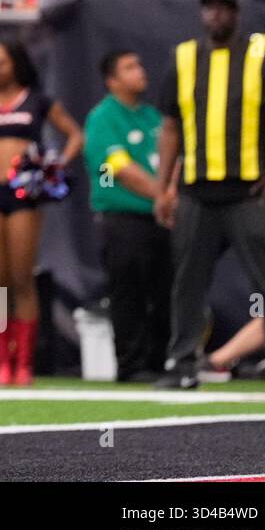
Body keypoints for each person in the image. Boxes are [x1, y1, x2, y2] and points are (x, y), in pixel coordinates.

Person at [153, 0, 265, 391]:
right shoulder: (184, 58)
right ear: (202, 12)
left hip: (249, 190)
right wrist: (162, 187)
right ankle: (183, 363)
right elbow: (169, 127)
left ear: (237, 13)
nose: (216, 15)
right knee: (187, 281)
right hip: (196, 190)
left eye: (224, 8)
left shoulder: (262, 55)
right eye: (210, 8)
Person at [0, 41, 83, 385]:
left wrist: (54, 165)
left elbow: (75, 135)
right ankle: (2, 360)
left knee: (21, 277)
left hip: (24, 193)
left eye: (1, 60)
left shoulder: (37, 99)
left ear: (16, 63)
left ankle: (25, 362)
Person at [84, 51, 170, 382]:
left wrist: (170, 192)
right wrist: (163, 195)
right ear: (112, 81)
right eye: (130, 67)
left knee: (166, 292)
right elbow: (119, 169)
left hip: (161, 219)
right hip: (122, 219)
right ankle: (132, 366)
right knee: (129, 293)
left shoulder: (153, 117)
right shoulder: (103, 117)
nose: (140, 71)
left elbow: (172, 157)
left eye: (140, 64)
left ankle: (164, 362)